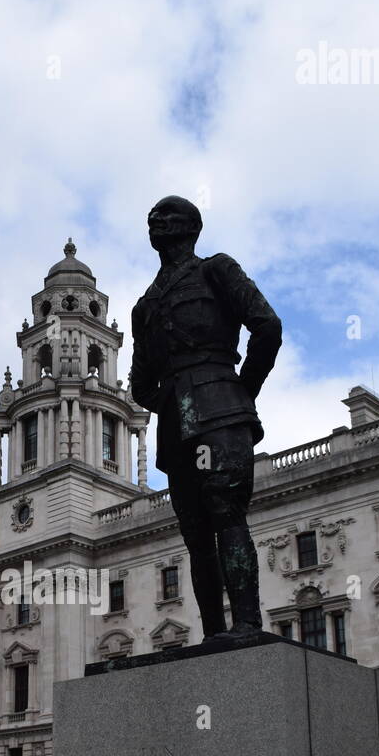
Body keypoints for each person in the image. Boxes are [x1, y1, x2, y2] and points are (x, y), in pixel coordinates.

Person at [130, 198, 281, 643]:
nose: (155, 222)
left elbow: (267, 325)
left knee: (226, 513)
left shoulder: (217, 269)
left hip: (222, 412)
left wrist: (241, 390)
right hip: (177, 428)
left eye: (167, 217)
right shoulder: (145, 306)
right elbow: (139, 384)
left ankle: (248, 624)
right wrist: (170, 402)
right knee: (195, 535)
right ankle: (214, 632)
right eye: (152, 217)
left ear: (191, 227)